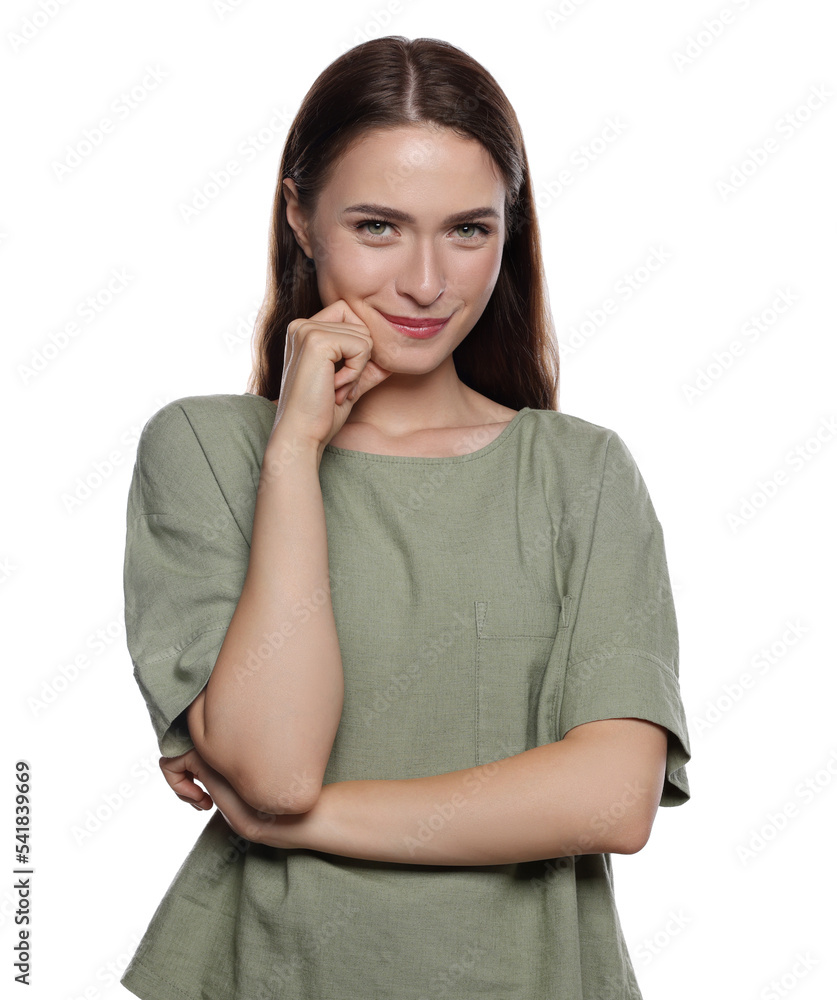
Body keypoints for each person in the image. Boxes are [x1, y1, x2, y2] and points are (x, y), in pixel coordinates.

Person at [120, 35, 691, 1000]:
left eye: (468, 230)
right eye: (378, 227)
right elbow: (275, 767)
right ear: (299, 218)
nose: (426, 283)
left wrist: (294, 826)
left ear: (511, 231)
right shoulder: (207, 451)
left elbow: (611, 798)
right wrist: (295, 453)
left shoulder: (579, 473)